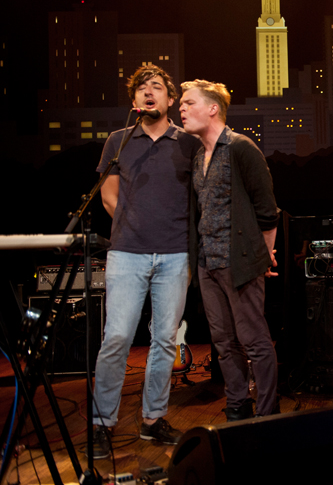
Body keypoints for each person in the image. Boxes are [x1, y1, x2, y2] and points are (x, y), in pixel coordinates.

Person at [92, 65, 201, 458]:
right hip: (126, 253)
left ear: (171, 100)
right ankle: (102, 424)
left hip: (175, 255)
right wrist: (136, 226)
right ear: (134, 100)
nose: (148, 92)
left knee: (164, 341)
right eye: (141, 88)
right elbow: (107, 196)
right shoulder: (119, 142)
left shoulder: (187, 142)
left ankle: (153, 420)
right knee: (117, 338)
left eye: (156, 87)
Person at [180, 80, 281, 420]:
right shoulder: (198, 157)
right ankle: (237, 405)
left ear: (212, 108)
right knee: (224, 344)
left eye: (189, 102)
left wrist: (263, 256)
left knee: (254, 341)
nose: (181, 108)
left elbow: (267, 210)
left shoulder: (240, 148)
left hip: (239, 263)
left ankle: (267, 412)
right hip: (209, 264)